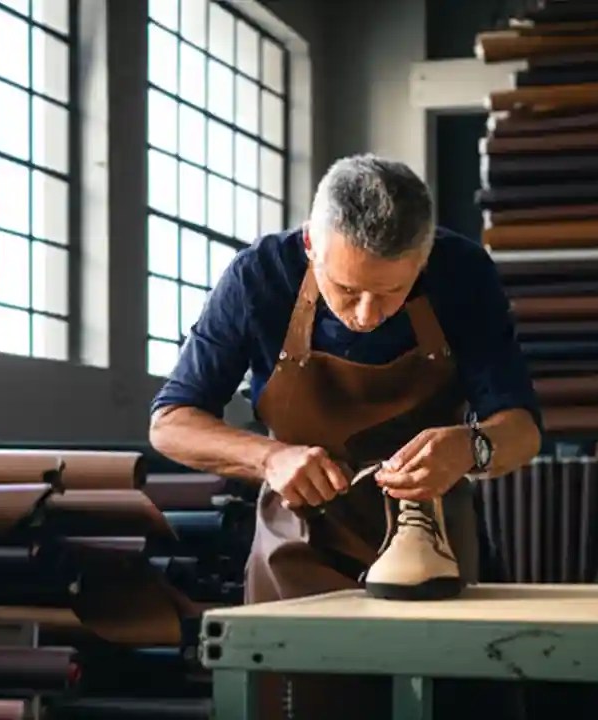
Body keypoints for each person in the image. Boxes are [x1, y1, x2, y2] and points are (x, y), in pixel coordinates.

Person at [148, 154, 543, 719]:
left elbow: (523, 429)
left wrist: (472, 446)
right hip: (298, 546)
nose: (365, 314)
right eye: (346, 288)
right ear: (311, 244)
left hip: (434, 540)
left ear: (424, 259)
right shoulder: (259, 277)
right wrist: (269, 458)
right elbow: (170, 422)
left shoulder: (462, 273)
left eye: (391, 293)